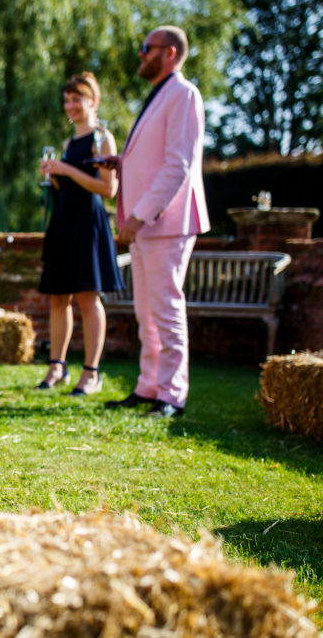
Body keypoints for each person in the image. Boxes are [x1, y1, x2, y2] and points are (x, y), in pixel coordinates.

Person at [101, 26, 211, 418]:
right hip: (145, 224)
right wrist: (121, 164)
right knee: (145, 312)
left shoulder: (184, 94)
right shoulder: (160, 96)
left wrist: (138, 215)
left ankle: (172, 395)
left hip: (166, 222)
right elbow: (154, 159)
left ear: (169, 53)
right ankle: (148, 387)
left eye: (146, 49)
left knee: (166, 308)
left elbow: (178, 164)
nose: (140, 56)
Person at [35, 73, 124, 396]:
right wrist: (53, 176)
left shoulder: (102, 138)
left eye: (77, 99)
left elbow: (108, 189)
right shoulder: (69, 143)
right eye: (67, 100)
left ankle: (91, 372)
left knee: (88, 297)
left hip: (89, 222)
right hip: (63, 221)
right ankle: (56, 366)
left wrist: (67, 170)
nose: (70, 105)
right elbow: (68, 186)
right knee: (59, 296)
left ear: (93, 101)